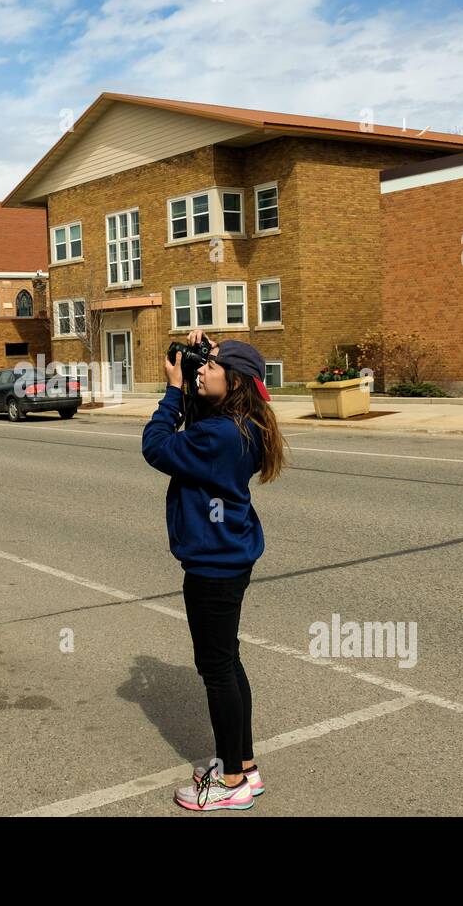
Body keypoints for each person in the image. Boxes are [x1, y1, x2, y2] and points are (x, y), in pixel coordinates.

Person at [141, 329, 286, 812]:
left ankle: (229, 783)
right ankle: (243, 766)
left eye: (211, 366)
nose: (200, 369)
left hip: (212, 565)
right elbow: (201, 430)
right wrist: (195, 371)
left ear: (236, 380)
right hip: (230, 556)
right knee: (228, 661)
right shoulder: (241, 424)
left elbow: (157, 447)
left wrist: (171, 392)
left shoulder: (221, 433)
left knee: (216, 669)